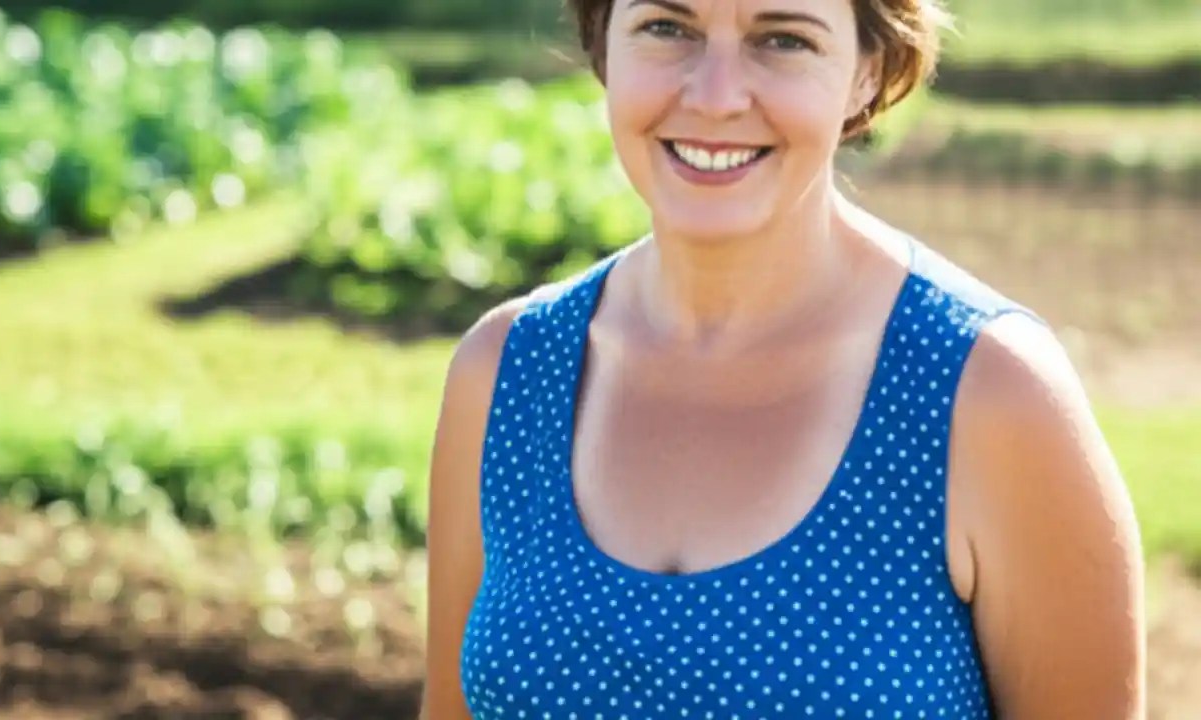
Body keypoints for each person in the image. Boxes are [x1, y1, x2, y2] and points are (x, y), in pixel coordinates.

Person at [422, 0, 1146, 717]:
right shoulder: (505, 372)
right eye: (667, 28)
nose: (714, 97)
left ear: (869, 69)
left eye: (783, 40)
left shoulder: (990, 395)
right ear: (604, 40)